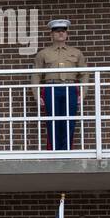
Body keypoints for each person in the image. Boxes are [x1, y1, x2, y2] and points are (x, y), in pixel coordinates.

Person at [32, 18, 88, 152]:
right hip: (51, 88)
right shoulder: (43, 53)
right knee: (52, 121)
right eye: (57, 31)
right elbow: (35, 75)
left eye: (63, 31)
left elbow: (84, 74)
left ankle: (67, 150)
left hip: (70, 89)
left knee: (69, 121)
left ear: (67, 34)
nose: (61, 34)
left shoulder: (76, 52)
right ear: (51, 34)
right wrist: (36, 95)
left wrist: (83, 93)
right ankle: (53, 151)